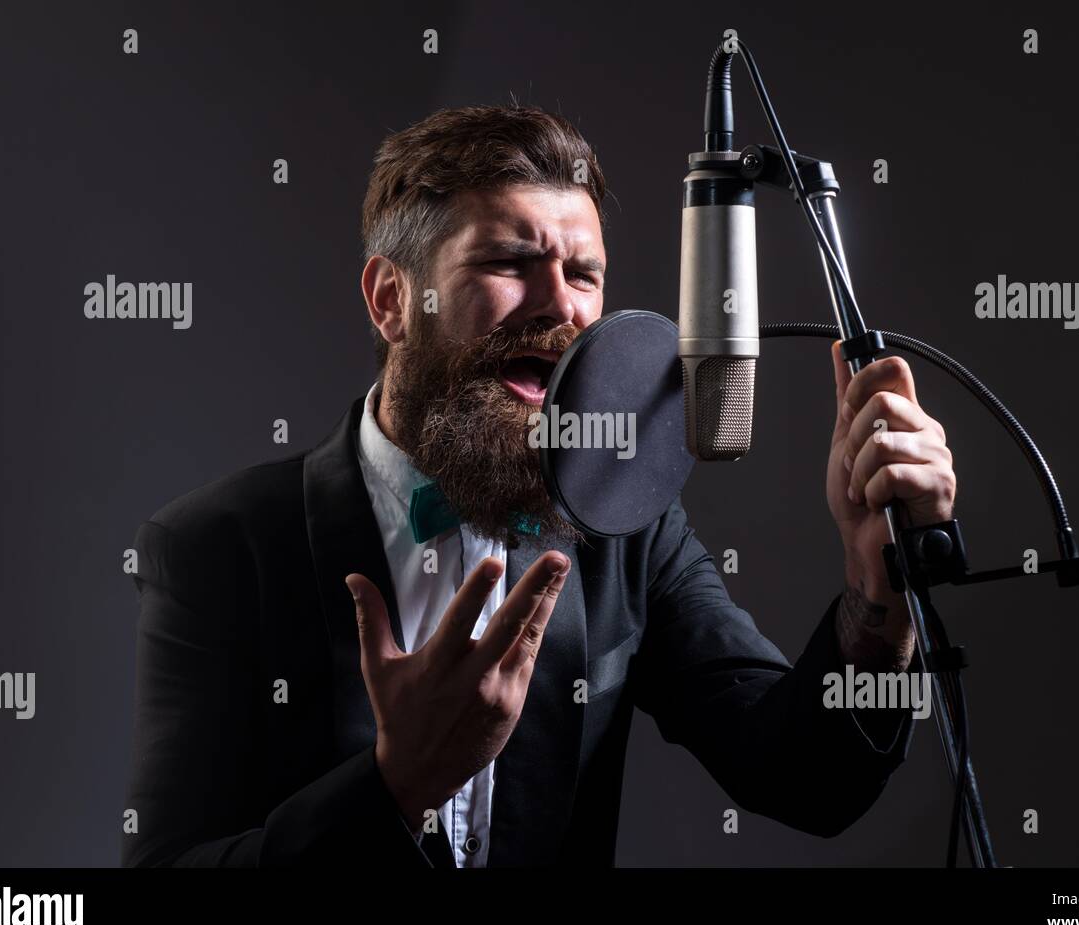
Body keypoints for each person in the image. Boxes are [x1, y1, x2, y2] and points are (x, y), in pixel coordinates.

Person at [122, 104, 958, 868]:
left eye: (585, 275)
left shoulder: (631, 528)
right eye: (509, 261)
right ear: (390, 300)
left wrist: (874, 589)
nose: (562, 307)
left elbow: (805, 776)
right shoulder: (216, 547)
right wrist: (394, 786)